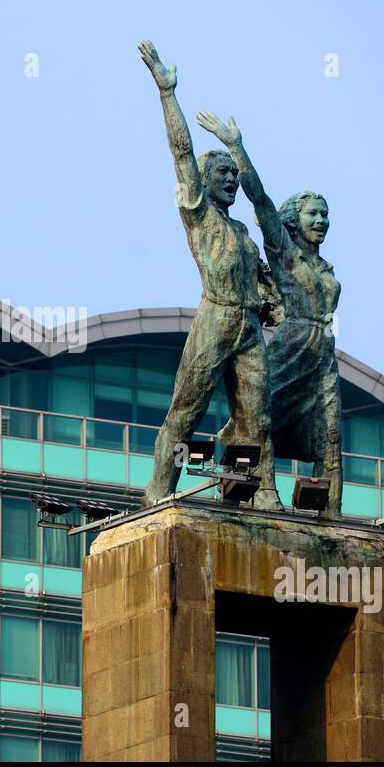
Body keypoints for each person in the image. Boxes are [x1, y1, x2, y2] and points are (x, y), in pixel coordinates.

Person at [137, 42, 282, 509]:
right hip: (215, 318)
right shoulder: (199, 213)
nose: (231, 180)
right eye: (223, 173)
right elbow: (181, 151)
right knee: (187, 408)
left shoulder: (243, 233)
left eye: (234, 175)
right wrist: (167, 92)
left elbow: (269, 287)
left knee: (257, 415)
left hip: (249, 327)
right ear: (204, 179)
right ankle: (160, 489)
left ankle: (263, 491)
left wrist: (274, 303)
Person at [197, 111, 344, 519]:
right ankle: (255, 490)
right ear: (294, 221)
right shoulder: (284, 251)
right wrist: (236, 147)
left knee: (331, 433)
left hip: (323, 352)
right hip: (291, 344)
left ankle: (332, 512)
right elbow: (260, 199)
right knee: (257, 418)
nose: (322, 221)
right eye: (314, 214)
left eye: (325, 214)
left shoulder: (326, 268)